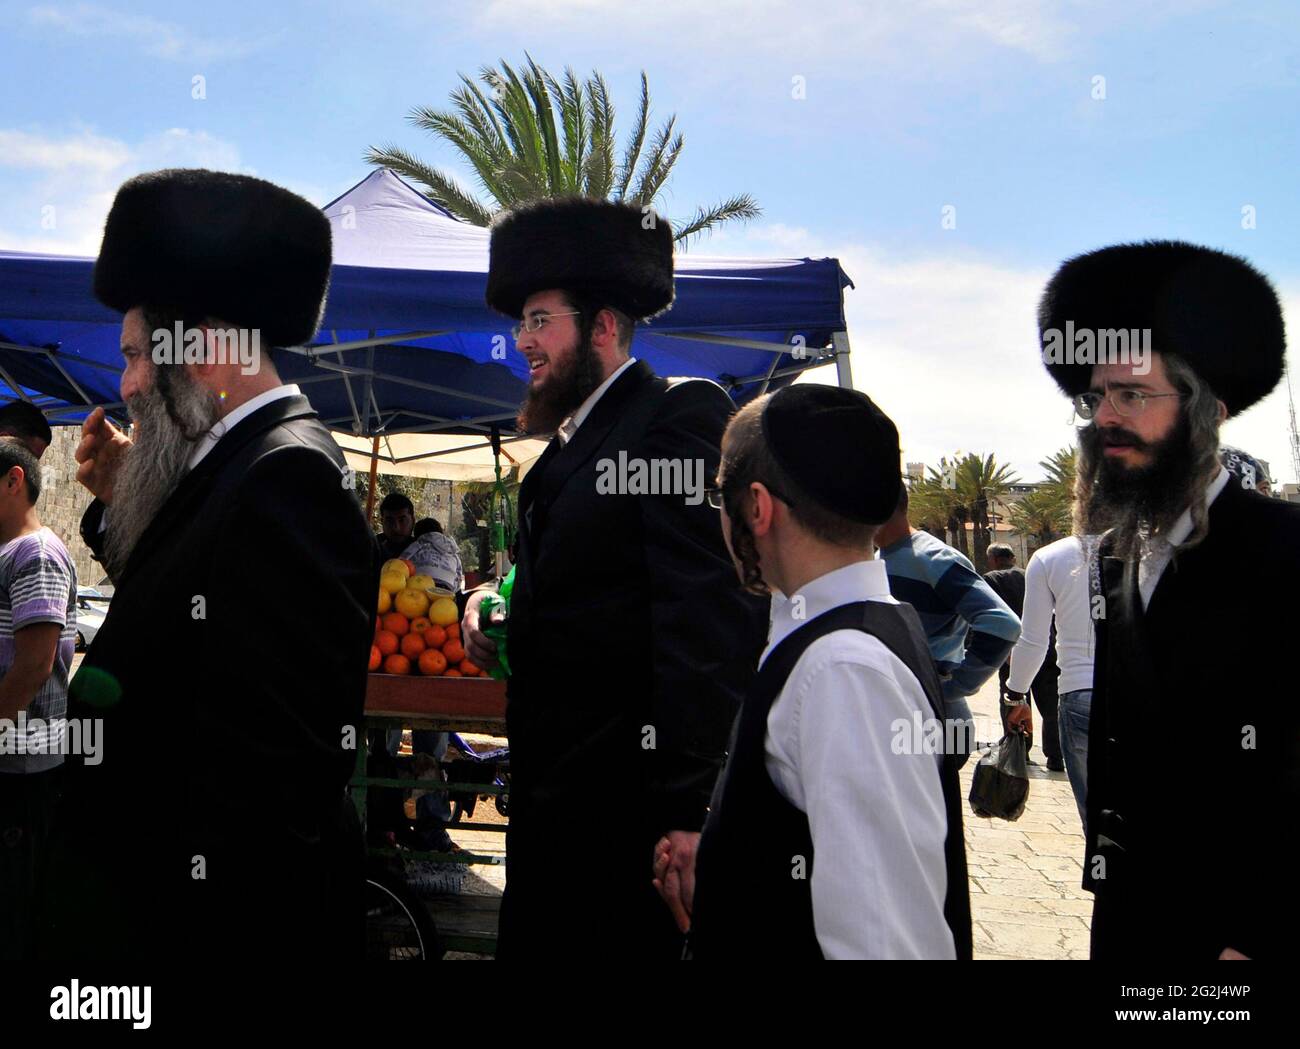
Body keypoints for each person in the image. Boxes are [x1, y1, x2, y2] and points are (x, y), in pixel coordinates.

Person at [37, 168, 375, 960]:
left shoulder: (286, 477)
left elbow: (270, 795)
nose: (123, 386)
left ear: (209, 348)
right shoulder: (233, 467)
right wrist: (124, 500)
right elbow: (189, 622)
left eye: (133, 356)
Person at [461, 197, 765, 959]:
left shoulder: (674, 418)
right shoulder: (570, 444)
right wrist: (489, 607)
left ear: (602, 326)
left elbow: (704, 623)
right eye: (521, 322)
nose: (522, 342)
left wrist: (688, 811)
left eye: (540, 320)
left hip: (624, 826)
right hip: (551, 808)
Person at [1037, 238, 1299, 961]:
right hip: (1129, 919)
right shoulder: (1119, 553)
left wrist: (1258, 931)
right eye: (1096, 398)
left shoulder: (1283, 547)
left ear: (1204, 410)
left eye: (1131, 393)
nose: (1106, 417)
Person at [669, 386, 970, 959]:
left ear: (756, 507)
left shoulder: (842, 669)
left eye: (720, 498)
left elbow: (883, 943)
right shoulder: (842, 634)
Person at [874, 489, 1021, 766]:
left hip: (935, 718)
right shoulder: (879, 558)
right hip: (913, 715)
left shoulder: (933, 559)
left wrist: (954, 687)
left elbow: (1002, 624)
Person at [0, 440, 77, 959]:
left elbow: (33, 666)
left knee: (13, 907)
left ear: (13, 481)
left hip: (22, 766)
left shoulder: (37, 554)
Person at [1003, 535, 1096, 826]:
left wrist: (1016, 695)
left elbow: (1033, 640)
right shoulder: (1156, 547)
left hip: (1080, 693)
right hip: (1143, 693)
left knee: (1095, 821)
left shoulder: (1050, 557)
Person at [983, 542, 1063, 771]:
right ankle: (1055, 756)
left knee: (1015, 700)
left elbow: (991, 615)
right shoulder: (1032, 576)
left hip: (1012, 650)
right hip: (1047, 649)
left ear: (994, 560)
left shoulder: (991, 580)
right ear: (1013, 559)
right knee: (1050, 705)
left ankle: (1020, 751)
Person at [377, 492, 416, 560]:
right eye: (390, 521)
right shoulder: (370, 549)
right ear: (382, 522)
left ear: (413, 520)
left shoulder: (424, 551)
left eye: (402, 520)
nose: (396, 528)